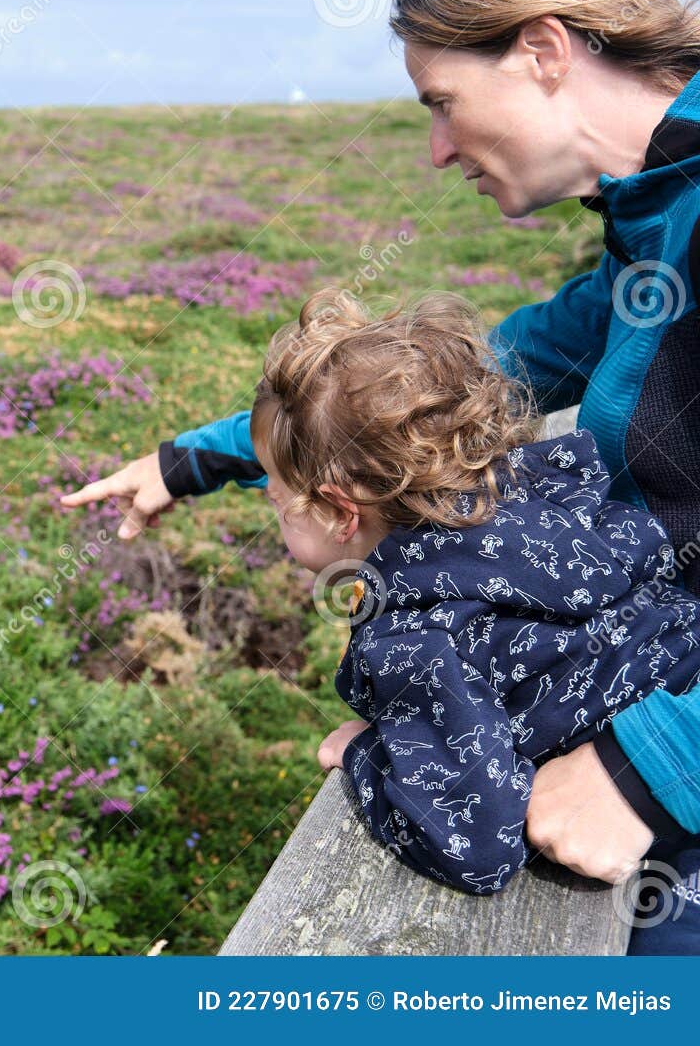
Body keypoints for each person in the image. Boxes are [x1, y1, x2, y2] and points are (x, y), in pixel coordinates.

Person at [60, 0, 700, 893]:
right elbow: (432, 397)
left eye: (440, 102)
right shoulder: (652, 227)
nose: (437, 151)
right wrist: (198, 458)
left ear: (542, 50)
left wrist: (653, 769)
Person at [248, 287, 700, 950]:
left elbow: (478, 841)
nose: (267, 499)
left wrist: (366, 755)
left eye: (274, 491)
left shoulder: (414, 635)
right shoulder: (538, 499)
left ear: (340, 510)